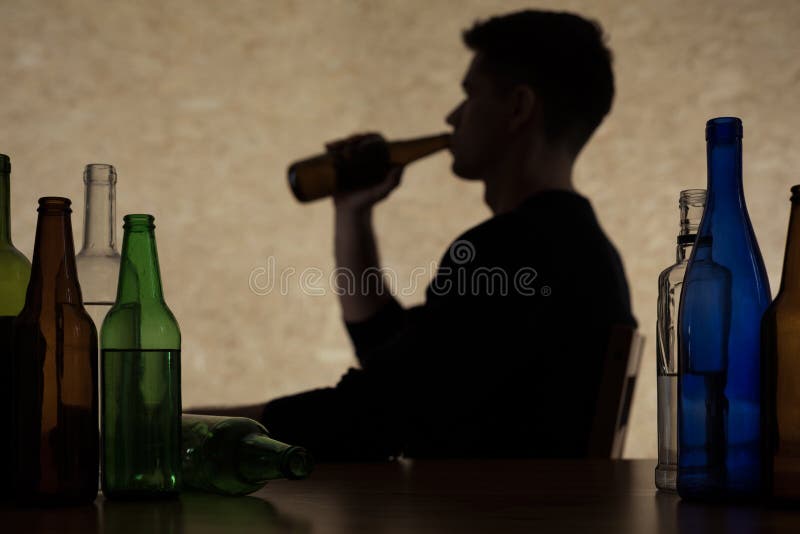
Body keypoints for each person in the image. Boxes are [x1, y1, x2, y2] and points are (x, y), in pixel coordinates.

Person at [201, 9, 636, 461]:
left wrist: (188, 427)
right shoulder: (576, 247)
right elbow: (394, 359)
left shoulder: (508, 250)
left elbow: (366, 416)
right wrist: (353, 213)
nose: (452, 116)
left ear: (519, 107)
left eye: (469, 95)